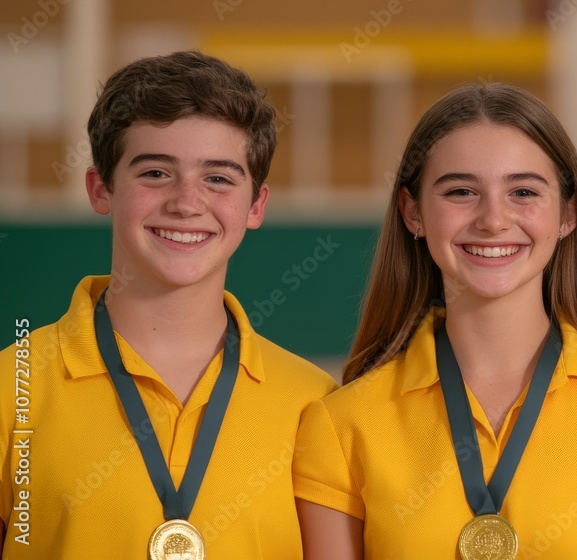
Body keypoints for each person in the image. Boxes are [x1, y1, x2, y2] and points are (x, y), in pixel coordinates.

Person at [293, 83, 577, 559]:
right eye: (461, 191)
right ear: (413, 213)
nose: (493, 219)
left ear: (568, 213)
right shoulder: (340, 425)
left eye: (523, 191)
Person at [0, 51, 337, 558]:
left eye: (218, 178)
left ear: (257, 205)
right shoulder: (14, 386)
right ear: (100, 188)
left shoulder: (316, 404)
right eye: (156, 173)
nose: (186, 202)